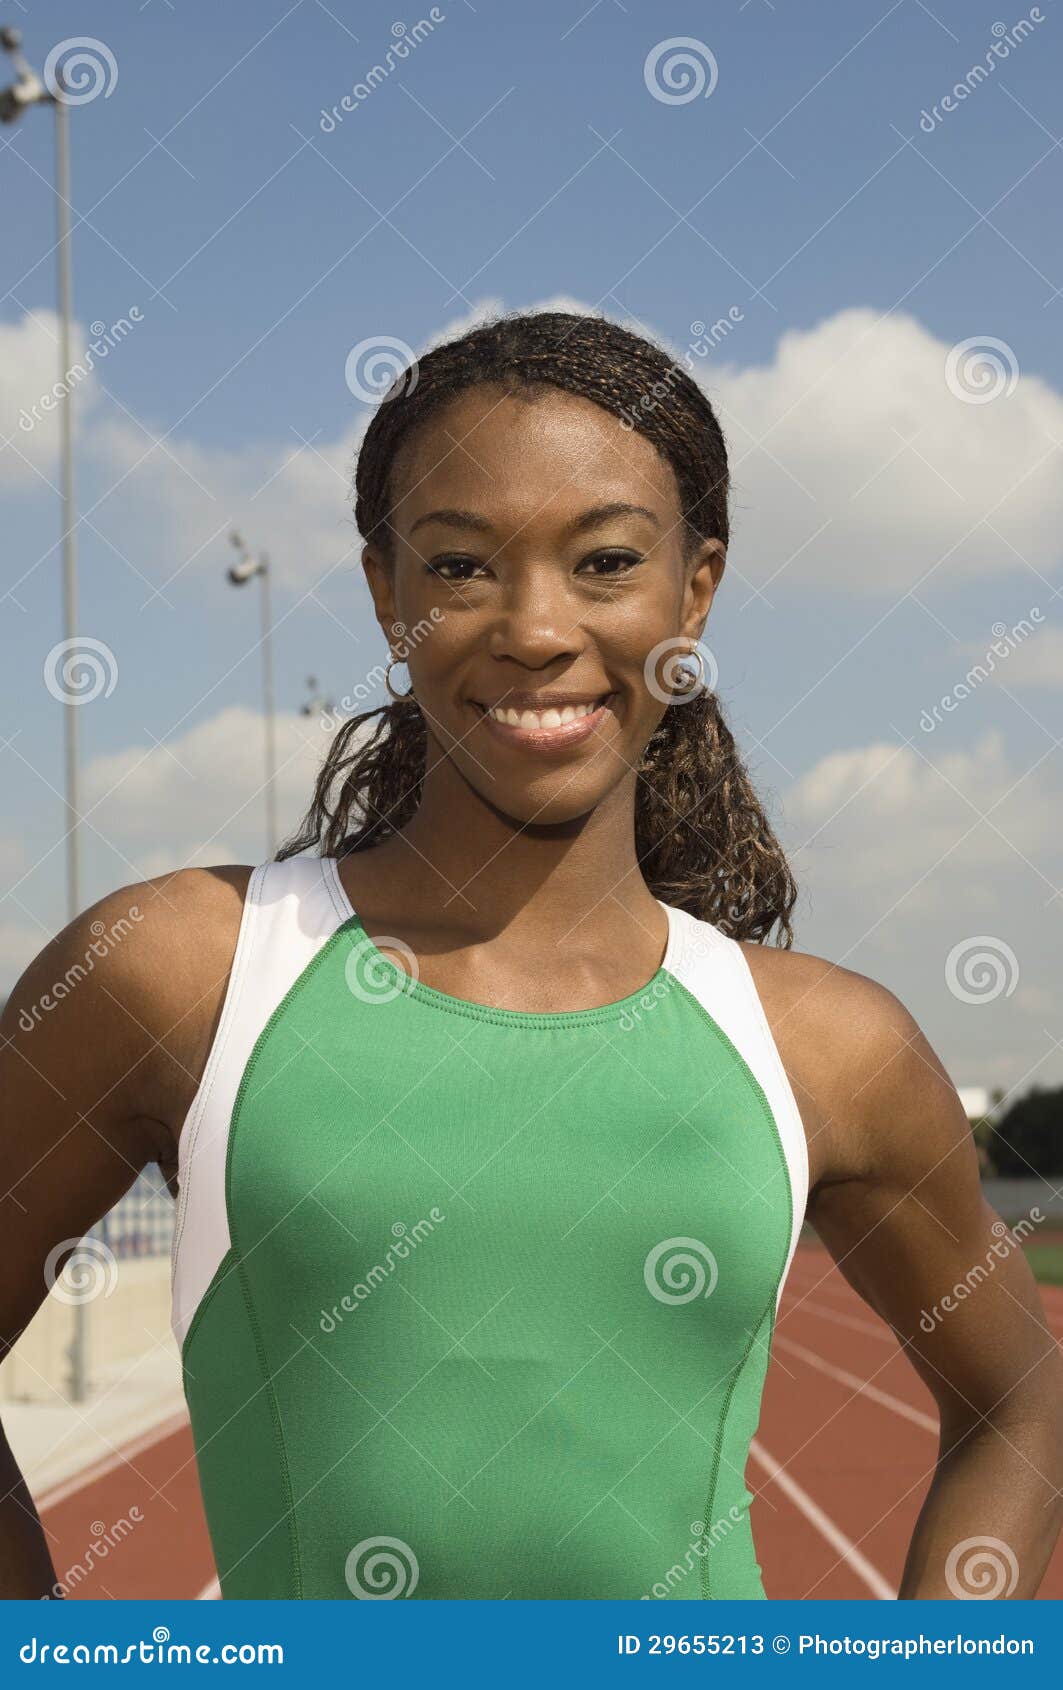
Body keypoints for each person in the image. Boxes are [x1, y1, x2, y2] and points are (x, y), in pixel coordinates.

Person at [2, 312, 1060, 1601]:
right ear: (387, 592)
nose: (537, 628)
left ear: (696, 588)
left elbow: (1022, 1407)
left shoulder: (831, 1047)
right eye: (459, 568)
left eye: (607, 562)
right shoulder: (176, 972)